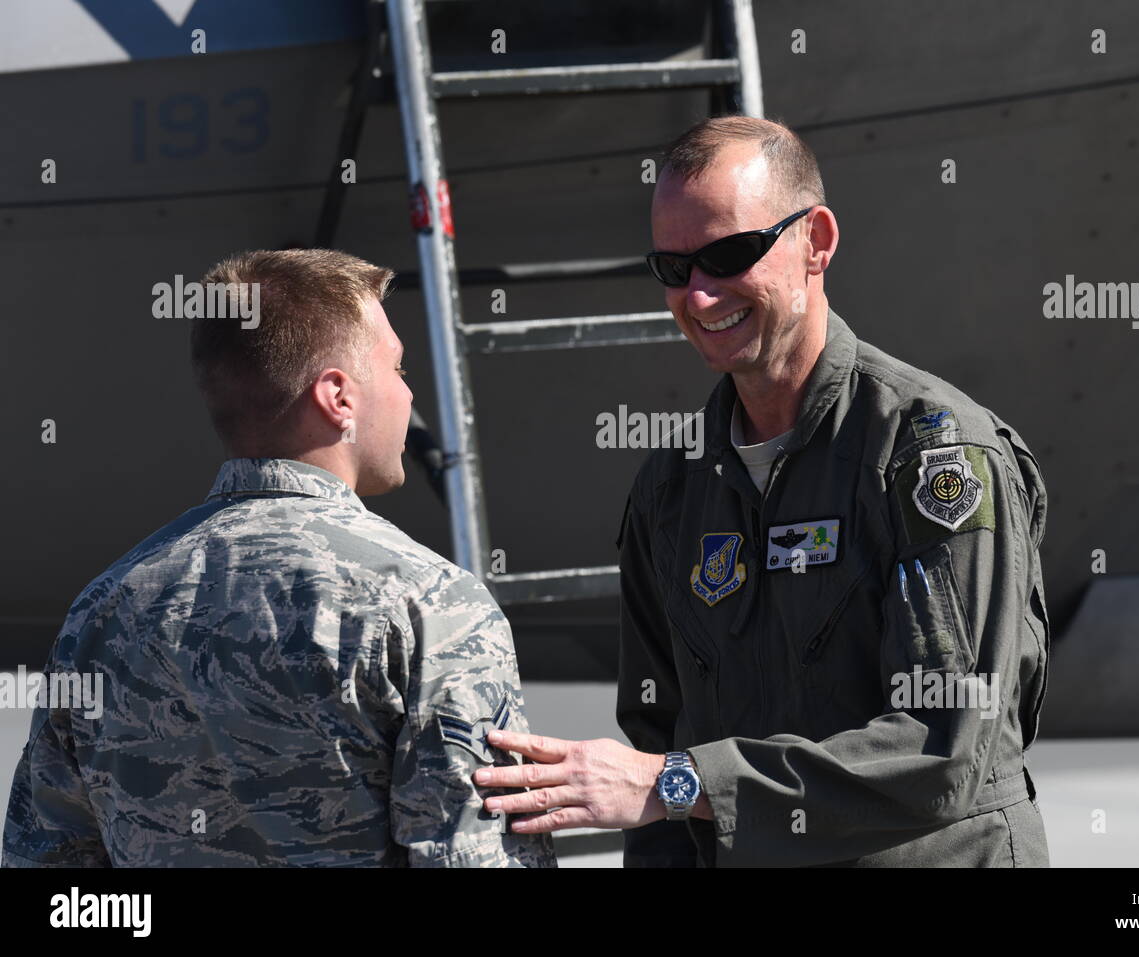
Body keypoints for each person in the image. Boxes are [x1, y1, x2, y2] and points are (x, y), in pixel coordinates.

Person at [472, 116, 1051, 867]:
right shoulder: (672, 488)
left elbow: (944, 744)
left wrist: (678, 782)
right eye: (674, 269)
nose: (702, 296)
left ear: (817, 241)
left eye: (730, 254)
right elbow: (659, 756)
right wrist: (668, 786)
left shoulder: (930, 456)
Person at [2, 249, 555, 868]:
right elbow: (473, 857)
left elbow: (50, 866)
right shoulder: (432, 603)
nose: (406, 396)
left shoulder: (102, 609)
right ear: (338, 396)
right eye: (398, 369)